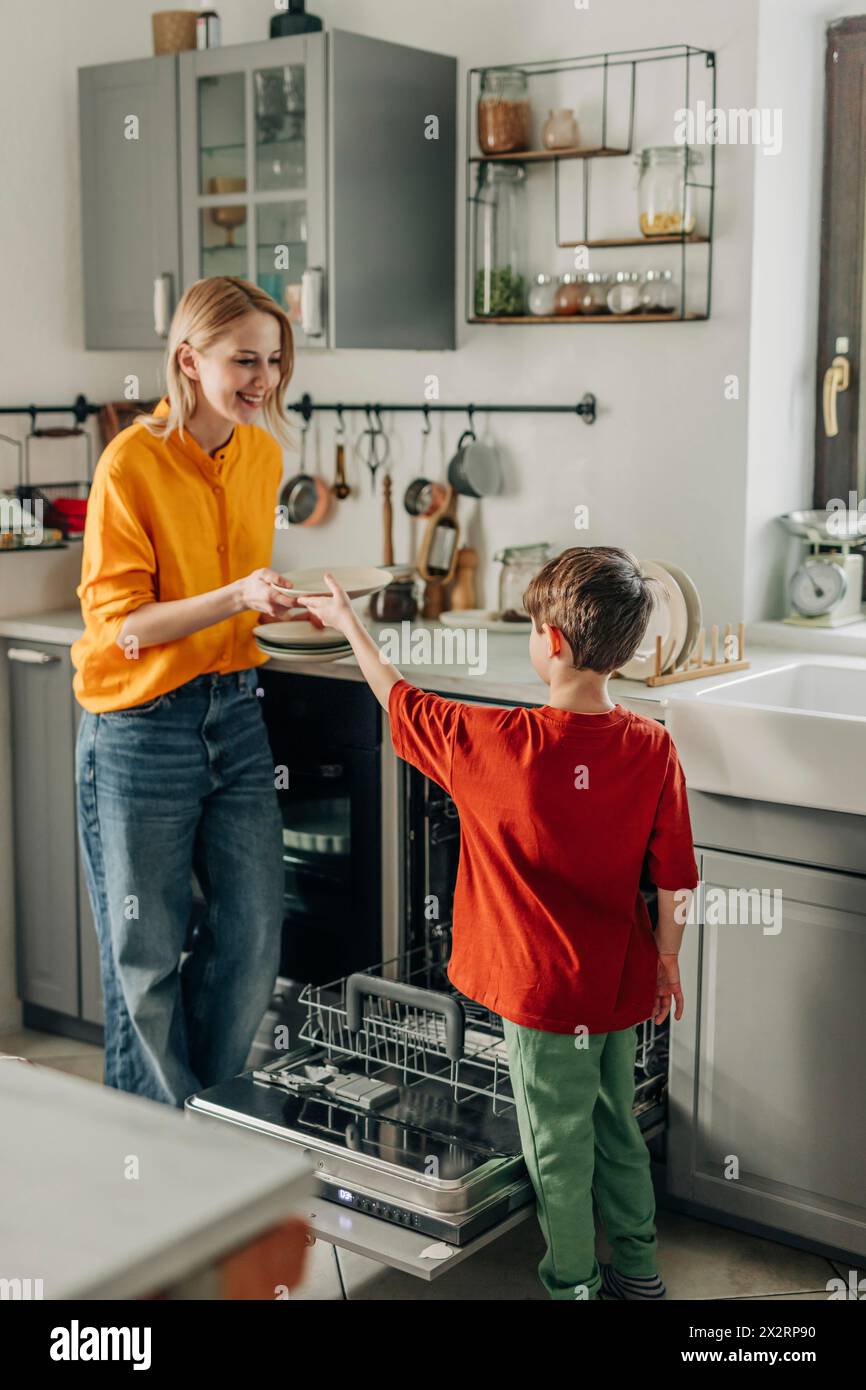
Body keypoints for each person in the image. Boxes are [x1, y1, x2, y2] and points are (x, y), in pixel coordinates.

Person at [297, 547, 698, 1301]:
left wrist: (349, 625)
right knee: (616, 1126)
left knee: (557, 1142)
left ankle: (573, 1284)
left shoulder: (496, 742)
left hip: (543, 998)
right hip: (617, 984)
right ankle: (640, 1271)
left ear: (550, 642)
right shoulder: (652, 745)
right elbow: (676, 875)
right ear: (627, 647)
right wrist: (667, 962)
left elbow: (398, 698)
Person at [72, 275, 307, 1107]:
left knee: (251, 939)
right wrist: (238, 597)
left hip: (235, 713)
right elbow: (121, 627)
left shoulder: (264, 455)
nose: (264, 379)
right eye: (245, 360)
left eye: (274, 360)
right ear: (188, 359)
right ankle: (161, 1169)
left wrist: (277, 602)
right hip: (140, 728)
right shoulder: (130, 463)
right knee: (145, 957)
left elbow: (231, 590)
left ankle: (202, 1138)